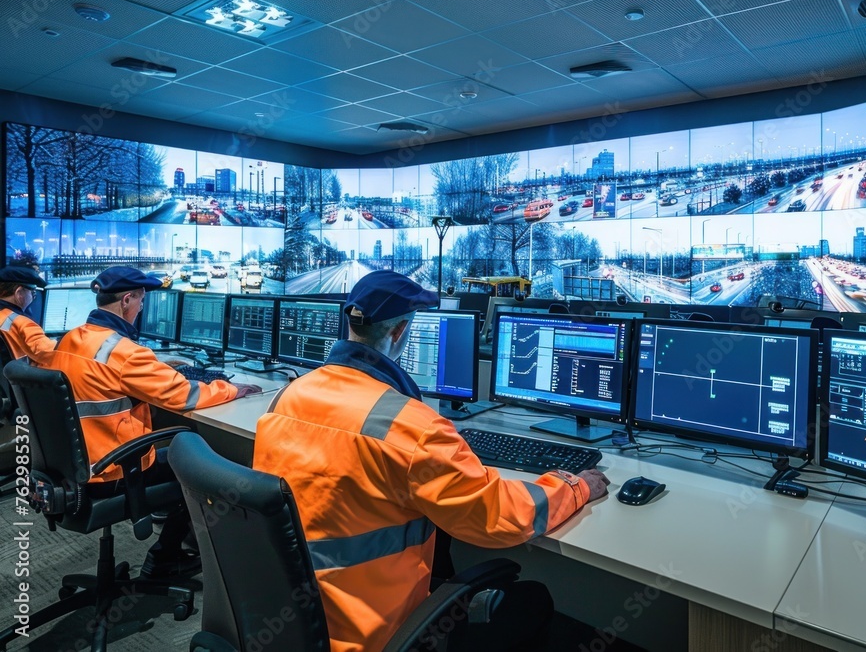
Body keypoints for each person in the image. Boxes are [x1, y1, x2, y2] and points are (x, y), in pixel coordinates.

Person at [254, 270, 609, 652]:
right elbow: (498, 517)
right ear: (399, 332)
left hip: (296, 616)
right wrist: (576, 486)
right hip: (376, 631)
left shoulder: (287, 398)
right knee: (533, 600)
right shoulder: (411, 426)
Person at [43, 266, 261, 577]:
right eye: (142, 302)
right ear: (127, 300)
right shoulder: (126, 354)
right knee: (200, 468)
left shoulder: (71, 339)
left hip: (74, 466)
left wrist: (156, 367)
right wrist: (233, 388)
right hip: (113, 471)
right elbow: (184, 396)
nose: (143, 308)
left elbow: (107, 379)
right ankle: (165, 558)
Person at [0, 265, 56, 364]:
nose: (33, 298)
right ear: (19, 293)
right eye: (33, 293)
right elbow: (52, 354)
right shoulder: (21, 323)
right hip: (18, 378)